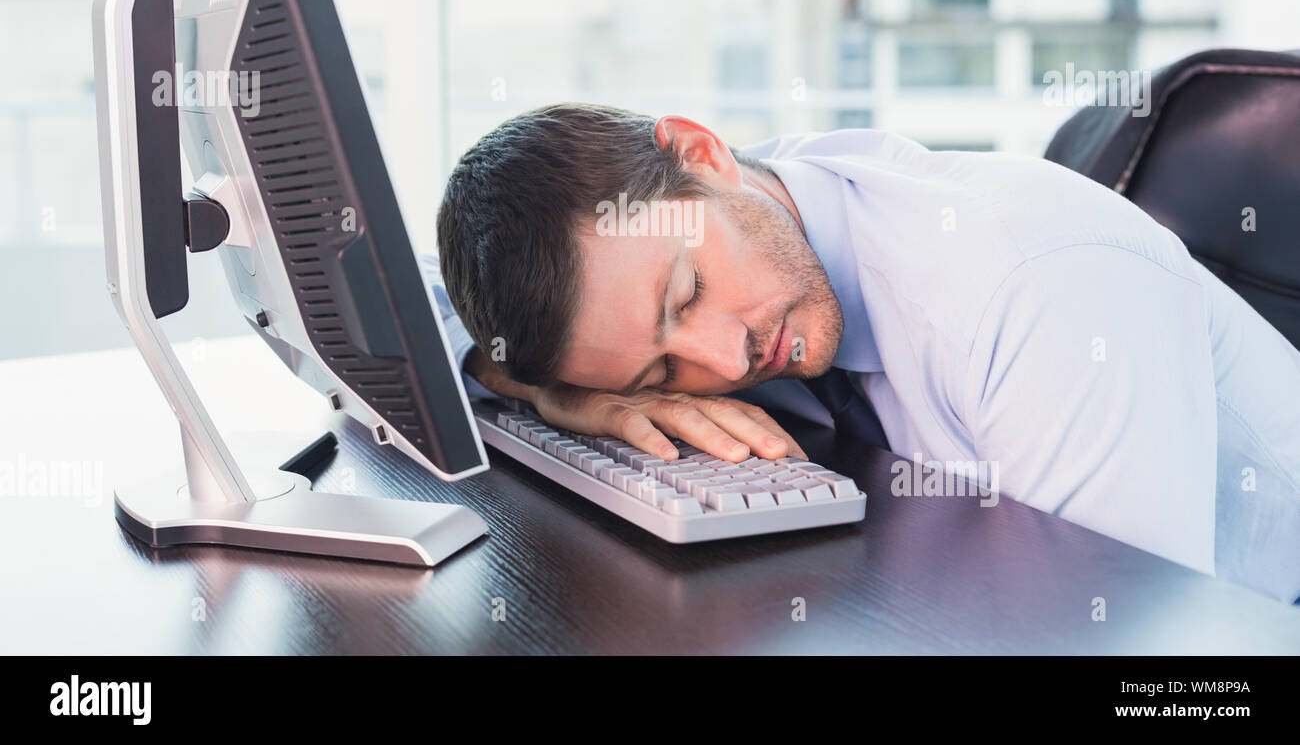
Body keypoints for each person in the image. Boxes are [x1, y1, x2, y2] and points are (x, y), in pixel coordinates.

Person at [424, 102, 1300, 603]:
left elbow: (1133, 654)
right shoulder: (754, 204)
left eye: (685, 294)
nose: (726, 363)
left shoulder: (1034, 288)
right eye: (661, 373)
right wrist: (560, 398)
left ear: (699, 152)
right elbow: (431, 312)